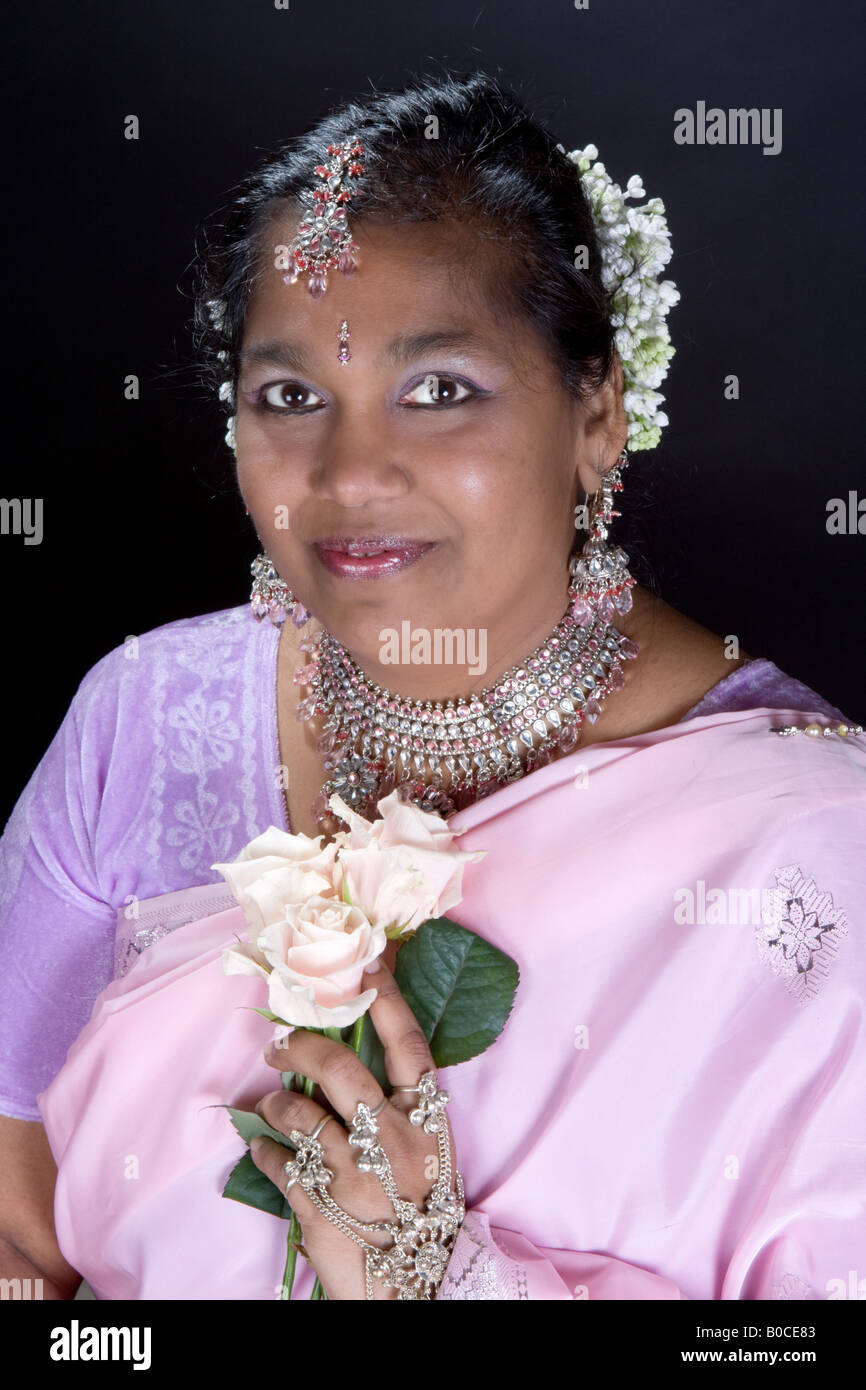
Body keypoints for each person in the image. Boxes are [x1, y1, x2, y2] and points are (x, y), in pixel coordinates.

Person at [1, 72, 863, 1301]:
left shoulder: (811, 853)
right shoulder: (148, 722)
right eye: (291, 396)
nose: (351, 472)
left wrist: (424, 1278)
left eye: (439, 390)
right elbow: (21, 1236)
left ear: (597, 416)